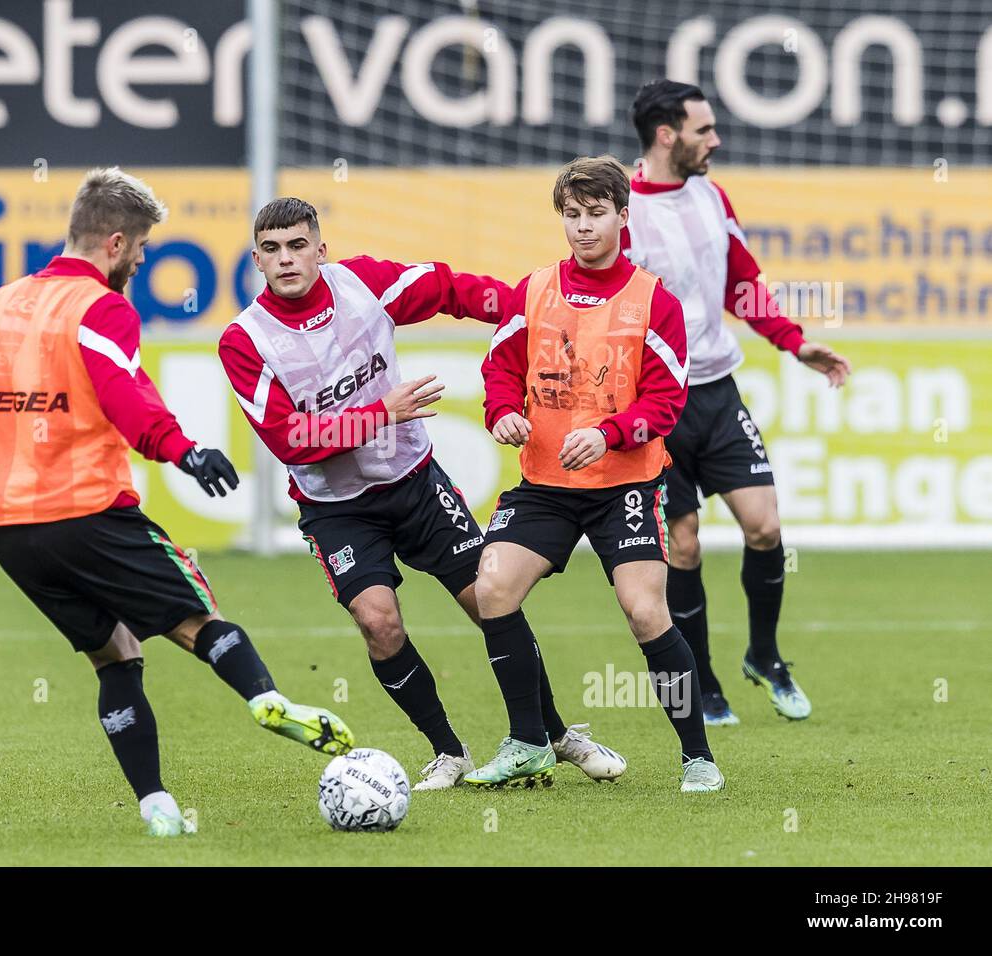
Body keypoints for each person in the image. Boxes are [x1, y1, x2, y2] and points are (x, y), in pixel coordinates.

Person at [0, 168, 353, 837]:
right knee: (198, 620)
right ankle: (266, 698)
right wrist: (183, 451)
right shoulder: (102, 307)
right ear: (115, 243)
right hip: (89, 513)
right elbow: (125, 395)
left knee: (114, 654)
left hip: (9, 529)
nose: (143, 260)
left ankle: (157, 806)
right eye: (142, 248)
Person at [219, 197, 624, 791]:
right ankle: (448, 751)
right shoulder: (245, 339)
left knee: (492, 601)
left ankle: (553, 735)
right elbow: (289, 440)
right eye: (273, 250)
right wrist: (379, 412)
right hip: (336, 509)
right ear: (257, 260)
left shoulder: (362, 284)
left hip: (415, 482)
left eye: (298, 246)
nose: (287, 259)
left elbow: (444, 288)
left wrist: (527, 310)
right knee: (379, 623)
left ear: (320, 250)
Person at [466, 155, 724, 793]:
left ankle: (698, 756)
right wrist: (501, 412)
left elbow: (667, 402)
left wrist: (606, 433)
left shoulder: (653, 300)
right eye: (572, 215)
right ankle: (528, 741)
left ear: (622, 216)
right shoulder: (535, 289)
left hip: (626, 487)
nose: (583, 227)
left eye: (596, 214)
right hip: (545, 487)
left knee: (644, 612)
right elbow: (500, 366)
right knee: (492, 588)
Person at [625, 80, 852, 724]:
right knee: (685, 542)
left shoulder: (711, 194)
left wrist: (794, 343)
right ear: (667, 134)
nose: (715, 140)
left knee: (766, 526)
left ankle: (765, 655)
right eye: (704, 129)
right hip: (656, 406)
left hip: (719, 393)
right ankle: (701, 683)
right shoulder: (622, 212)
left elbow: (742, 283)